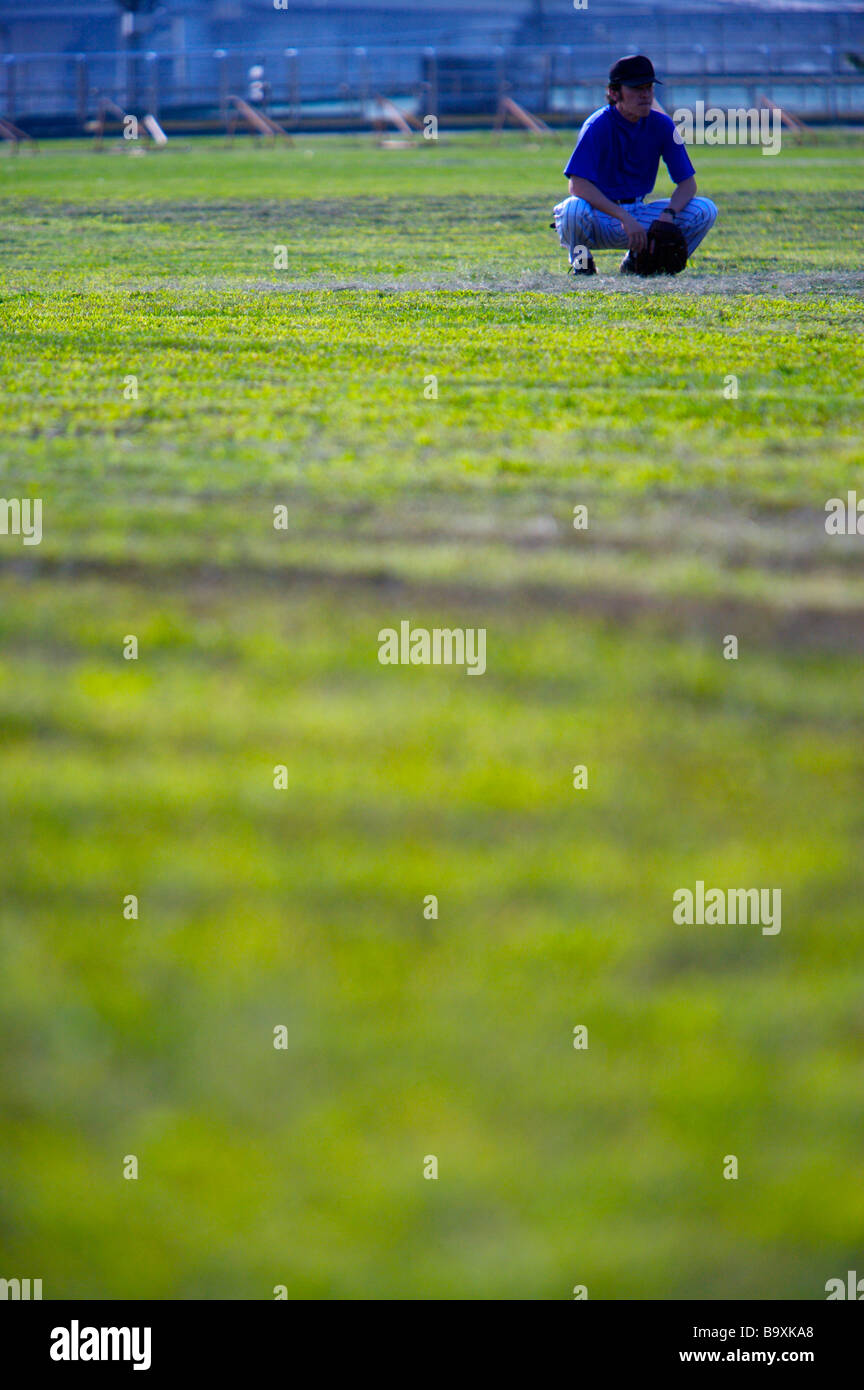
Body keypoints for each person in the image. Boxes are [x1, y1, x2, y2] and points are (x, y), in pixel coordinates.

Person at [553, 54, 717, 276]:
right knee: (572, 210)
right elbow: (578, 185)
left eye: (649, 87)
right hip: (599, 215)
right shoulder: (598, 125)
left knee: (705, 210)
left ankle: (642, 261)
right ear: (614, 93)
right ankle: (582, 264)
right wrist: (623, 217)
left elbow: (688, 185)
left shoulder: (662, 125)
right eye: (636, 88)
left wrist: (669, 214)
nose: (645, 95)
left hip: (639, 214)